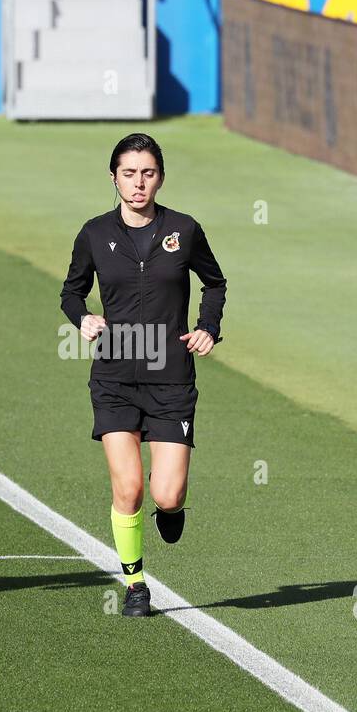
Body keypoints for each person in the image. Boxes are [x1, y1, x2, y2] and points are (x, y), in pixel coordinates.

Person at [60, 133, 227, 617]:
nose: (138, 183)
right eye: (129, 174)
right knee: (128, 487)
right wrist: (83, 318)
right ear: (113, 177)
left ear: (160, 178)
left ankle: (172, 512)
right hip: (113, 377)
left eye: (148, 173)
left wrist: (207, 328)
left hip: (171, 375)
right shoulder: (93, 233)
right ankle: (135, 585)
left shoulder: (184, 229)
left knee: (165, 492)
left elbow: (214, 283)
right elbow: (71, 293)